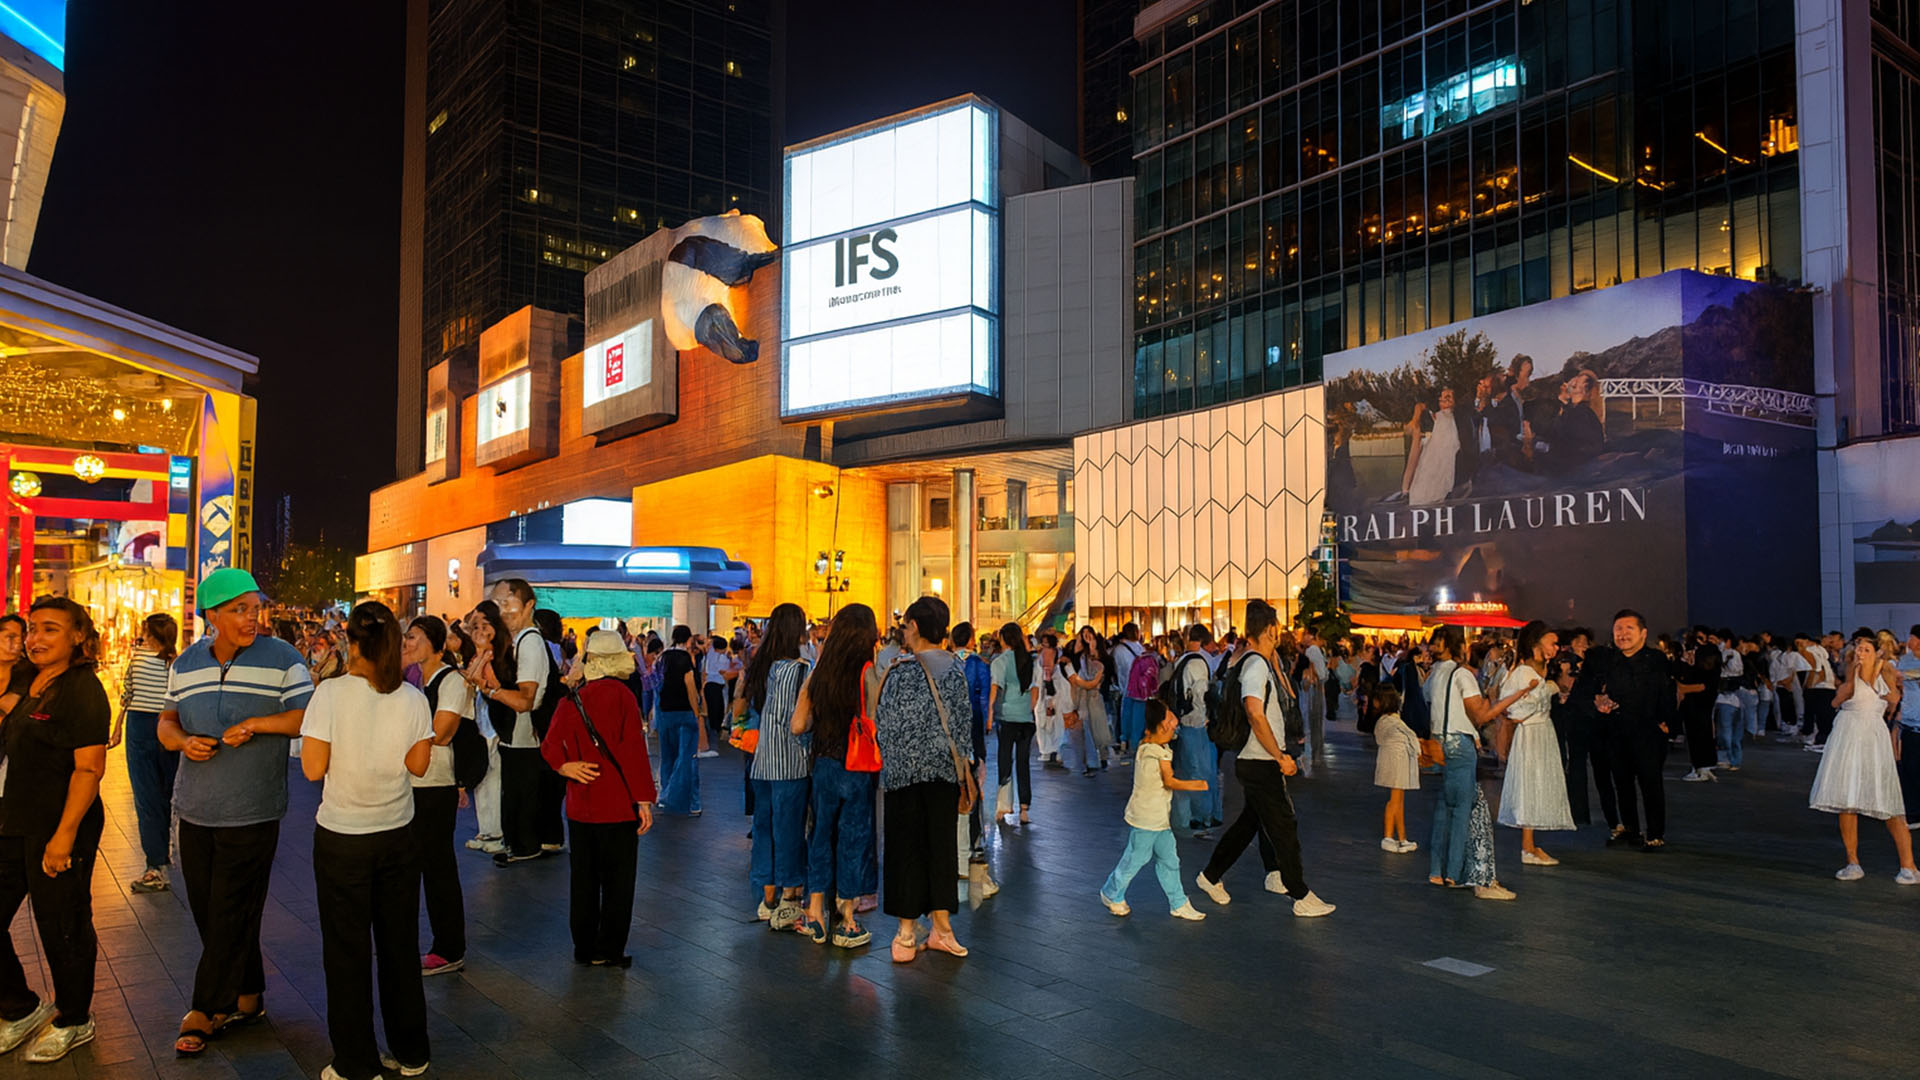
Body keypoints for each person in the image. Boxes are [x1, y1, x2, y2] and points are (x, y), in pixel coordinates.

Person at [158, 569, 312, 1056]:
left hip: (254, 808)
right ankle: (248, 993)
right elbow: (166, 721)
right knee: (210, 909)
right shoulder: (185, 664)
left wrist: (258, 724)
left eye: (255, 607)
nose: (252, 617)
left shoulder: (284, 658)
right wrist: (183, 741)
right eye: (240, 609)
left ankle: (207, 1007)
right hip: (195, 807)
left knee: (228, 907)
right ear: (213, 616)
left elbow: (308, 716)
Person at [300, 601, 434, 1080]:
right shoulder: (414, 699)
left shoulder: (330, 695)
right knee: (399, 945)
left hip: (343, 838)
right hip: (398, 835)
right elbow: (418, 766)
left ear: (350, 642)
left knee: (347, 952)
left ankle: (357, 1062)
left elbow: (313, 767)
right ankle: (412, 1051)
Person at [0, 598, 110, 1063]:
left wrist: (64, 836)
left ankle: (74, 1017)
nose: (35, 639)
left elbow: (88, 769)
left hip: (61, 824)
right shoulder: (27, 678)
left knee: (62, 925)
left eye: (50, 630)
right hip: (13, 819)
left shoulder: (83, 689)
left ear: (78, 638)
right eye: (32, 630)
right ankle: (19, 1006)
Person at [1193, 600, 1336, 917]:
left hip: (1252, 758)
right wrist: (1280, 755)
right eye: (1278, 628)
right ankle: (1300, 894)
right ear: (1270, 629)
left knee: (1249, 824)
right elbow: (1255, 713)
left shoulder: (1250, 661)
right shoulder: (1256, 665)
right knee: (1284, 825)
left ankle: (1211, 875)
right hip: (1259, 759)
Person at [542, 630, 657, 965]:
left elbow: (549, 746)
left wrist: (565, 767)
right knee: (619, 883)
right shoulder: (623, 696)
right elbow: (634, 754)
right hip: (618, 805)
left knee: (584, 881)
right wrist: (644, 800)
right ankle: (610, 949)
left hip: (581, 804)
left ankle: (584, 947)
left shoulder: (572, 699)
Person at [874, 596, 975, 963]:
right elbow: (964, 723)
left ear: (914, 626)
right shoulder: (955, 668)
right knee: (941, 845)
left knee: (904, 847)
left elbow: (882, 722)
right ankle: (942, 928)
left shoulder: (897, 669)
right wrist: (967, 764)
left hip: (901, 773)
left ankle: (904, 935)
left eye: (905, 624)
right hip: (943, 772)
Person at [791, 604, 881, 949]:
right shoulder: (869, 671)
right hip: (857, 766)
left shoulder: (820, 671)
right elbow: (875, 719)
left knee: (820, 834)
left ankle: (815, 915)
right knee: (854, 839)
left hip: (824, 765)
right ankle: (847, 919)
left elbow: (799, 724)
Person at [1422, 625, 1526, 900]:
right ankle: (1453, 874)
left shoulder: (1435, 673)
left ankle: (1435, 869)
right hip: (1460, 745)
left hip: (1440, 744)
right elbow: (1480, 715)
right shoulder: (1462, 674)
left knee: (1444, 807)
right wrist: (1513, 697)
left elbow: (1432, 704)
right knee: (1461, 812)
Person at [1808, 629, 1917, 883]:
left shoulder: (1885, 668)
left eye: (1866, 648)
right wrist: (1855, 676)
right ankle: (1852, 862)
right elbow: (1838, 700)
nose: (1860, 652)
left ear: (1877, 651)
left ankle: (1909, 866)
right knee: (1847, 800)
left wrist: (1876, 681)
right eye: (1858, 647)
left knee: (1887, 800)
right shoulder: (1850, 668)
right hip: (1847, 733)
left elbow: (1893, 697)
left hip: (1871, 733)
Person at [735, 604, 811, 931]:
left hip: (762, 761)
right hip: (790, 763)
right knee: (789, 829)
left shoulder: (760, 664)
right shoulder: (797, 669)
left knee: (764, 828)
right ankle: (789, 899)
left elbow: (747, 704)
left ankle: (766, 895)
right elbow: (791, 722)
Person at [402, 616, 470, 977]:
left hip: (435, 784)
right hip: (410, 783)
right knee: (414, 866)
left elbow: (442, 733)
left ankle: (449, 947)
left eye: (413, 637)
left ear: (434, 642)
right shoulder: (412, 679)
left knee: (438, 867)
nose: (406, 643)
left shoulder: (452, 680)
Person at [1099, 701, 1209, 920]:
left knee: (1169, 860)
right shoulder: (1157, 752)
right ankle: (1111, 893)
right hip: (1146, 819)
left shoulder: (1149, 745)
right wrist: (1197, 785)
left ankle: (1178, 902)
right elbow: (1169, 781)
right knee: (1135, 859)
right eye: (1169, 719)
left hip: (1158, 819)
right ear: (1161, 726)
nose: (1173, 723)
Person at [1576, 610, 1677, 848]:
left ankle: (1655, 834)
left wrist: (1666, 725)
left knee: (1651, 782)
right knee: (1622, 783)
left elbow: (1668, 694)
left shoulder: (1656, 659)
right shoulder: (1606, 661)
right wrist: (1597, 701)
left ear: (1643, 633)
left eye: (1629, 628)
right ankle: (1631, 830)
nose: (1623, 634)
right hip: (1615, 731)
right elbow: (1586, 691)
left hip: (1648, 732)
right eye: (1618, 629)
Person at [484, 579, 564, 862]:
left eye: (507, 602)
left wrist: (494, 690)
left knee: (521, 792)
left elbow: (525, 699)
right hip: (520, 733)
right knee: (519, 790)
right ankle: (525, 842)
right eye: (497, 604)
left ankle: (524, 845)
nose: (502, 610)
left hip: (524, 732)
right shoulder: (520, 640)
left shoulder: (529, 642)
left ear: (529, 604)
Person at [111, 612, 180, 894]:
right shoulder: (177, 662)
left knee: (148, 795)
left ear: (153, 634)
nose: (142, 636)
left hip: (143, 725)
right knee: (163, 793)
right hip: (167, 725)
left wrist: (117, 727)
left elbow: (127, 692)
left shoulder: (143, 657)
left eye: (145, 631)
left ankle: (157, 864)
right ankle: (160, 856)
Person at [1498, 621, 1575, 865]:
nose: (1555, 648)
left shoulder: (1538, 672)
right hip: (1531, 734)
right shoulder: (1523, 673)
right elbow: (1510, 705)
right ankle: (1527, 848)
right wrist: (1549, 689)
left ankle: (1530, 845)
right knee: (1530, 784)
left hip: (1542, 732)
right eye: (1552, 643)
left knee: (1538, 783)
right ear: (1536, 643)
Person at [459, 603, 514, 854]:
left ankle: (496, 833)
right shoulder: (479, 654)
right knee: (482, 776)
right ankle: (486, 830)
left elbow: (492, 685)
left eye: (485, 625)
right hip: (480, 720)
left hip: (496, 723)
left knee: (494, 777)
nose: (480, 631)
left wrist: (482, 656)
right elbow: (469, 679)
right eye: (476, 626)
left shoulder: (501, 655)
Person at [1168, 626, 1223, 837]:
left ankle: (1201, 817)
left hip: (1193, 722)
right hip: (1202, 722)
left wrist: (1201, 716)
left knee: (1196, 769)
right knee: (1207, 768)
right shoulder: (1203, 660)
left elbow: (1199, 693)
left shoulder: (1189, 662)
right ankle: (1212, 813)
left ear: (1192, 639)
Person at [989, 621, 1038, 826]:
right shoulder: (1031, 661)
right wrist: (1029, 708)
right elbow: (1035, 690)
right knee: (1023, 762)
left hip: (1007, 717)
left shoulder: (1000, 661)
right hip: (1026, 719)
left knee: (1005, 760)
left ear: (1003, 639)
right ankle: (1024, 809)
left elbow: (995, 688)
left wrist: (990, 712)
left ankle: (1004, 806)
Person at [656, 625, 705, 815]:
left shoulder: (663, 657)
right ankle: (692, 802)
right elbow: (690, 685)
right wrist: (696, 711)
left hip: (665, 712)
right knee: (688, 758)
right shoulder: (685, 658)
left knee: (667, 756)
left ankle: (665, 797)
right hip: (684, 712)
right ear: (688, 640)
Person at [1371, 685, 1419, 854]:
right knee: (1396, 800)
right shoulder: (1392, 721)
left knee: (1398, 800)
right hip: (1398, 760)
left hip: (1395, 759)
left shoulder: (1386, 721)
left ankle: (1401, 837)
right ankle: (1389, 836)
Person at [1065, 625, 1113, 776]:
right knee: (1087, 728)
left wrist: (1093, 647)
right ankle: (1091, 762)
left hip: (1096, 696)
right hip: (1083, 696)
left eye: (1089, 634)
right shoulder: (1080, 656)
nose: (1086, 637)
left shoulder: (1100, 658)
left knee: (1099, 727)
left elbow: (1100, 671)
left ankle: (1102, 758)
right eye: (1083, 634)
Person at [1034, 638, 1074, 771]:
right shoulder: (1041, 661)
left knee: (1053, 724)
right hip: (1045, 694)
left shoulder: (1055, 662)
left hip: (1053, 694)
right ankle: (1048, 750)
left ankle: (1052, 750)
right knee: (1045, 723)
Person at [1112, 622, 1150, 755]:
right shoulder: (1142, 649)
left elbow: (1120, 670)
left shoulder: (1119, 649)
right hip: (1142, 690)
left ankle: (1125, 742)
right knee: (1139, 720)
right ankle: (1136, 744)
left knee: (1126, 716)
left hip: (1127, 688)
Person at [1897, 625, 1920, 822]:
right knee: (1910, 769)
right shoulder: (1905, 660)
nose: (1908, 641)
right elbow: (1897, 681)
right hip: (1910, 722)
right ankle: (1913, 812)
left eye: (1911, 637)